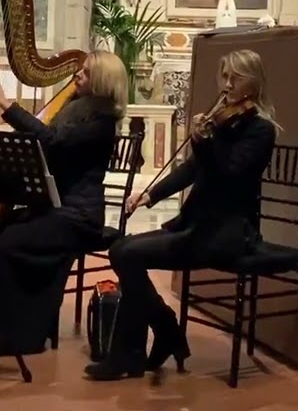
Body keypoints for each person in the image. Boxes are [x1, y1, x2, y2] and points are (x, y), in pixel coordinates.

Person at [85, 49, 278, 381]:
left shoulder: (260, 131)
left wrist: (203, 143)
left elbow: (230, 173)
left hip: (227, 234)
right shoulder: (225, 123)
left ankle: (152, 340)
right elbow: (191, 169)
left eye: (236, 77)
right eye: (225, 76)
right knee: (122, 249)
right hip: (197, 226)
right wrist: (150, 194)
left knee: (126, 254)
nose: (228, 84)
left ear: (254, 83)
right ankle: (153, 337)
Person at [0, 49, 129, 355]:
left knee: (7, 244)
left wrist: (7, 105)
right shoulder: (77, 110)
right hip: (57, 209)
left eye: (84, 73)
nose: (76, 76)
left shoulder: (100, 121)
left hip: (78, 217)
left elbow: (51, 141)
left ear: (100, 81)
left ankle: (18, 333)